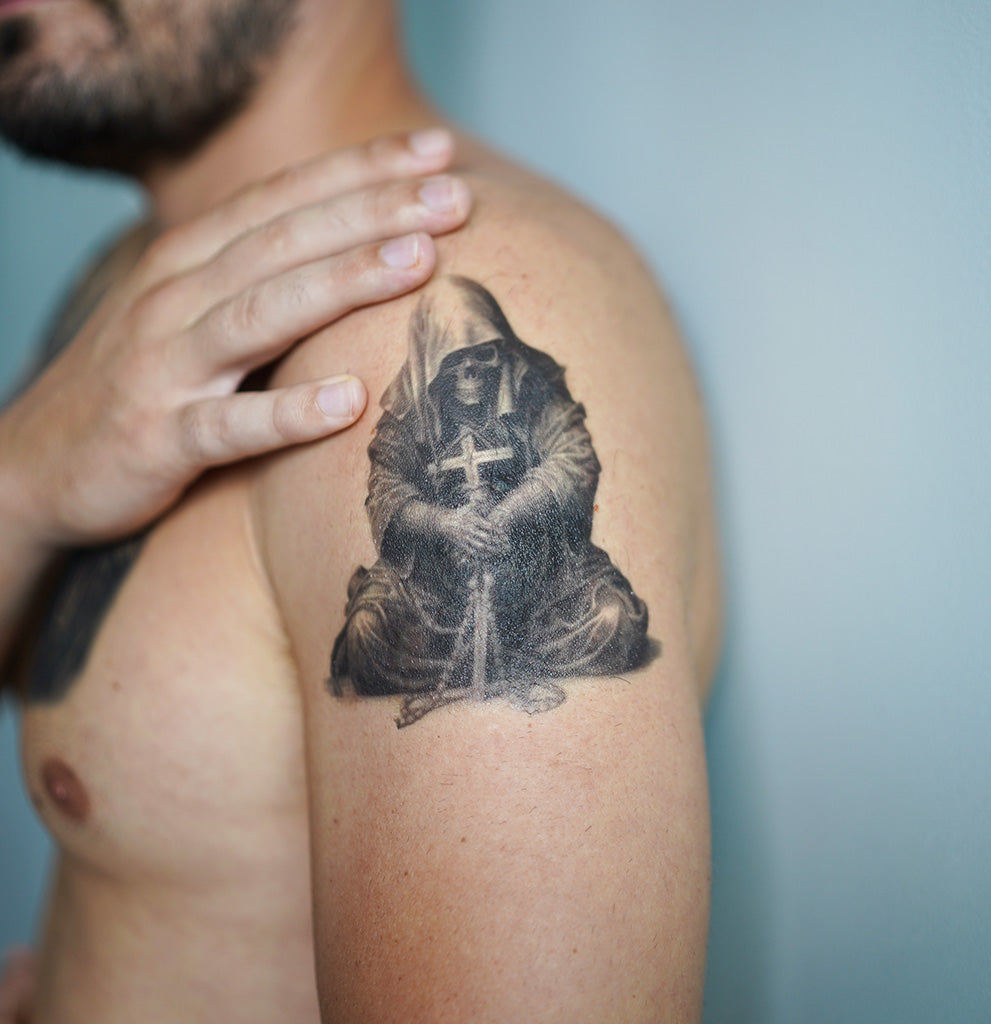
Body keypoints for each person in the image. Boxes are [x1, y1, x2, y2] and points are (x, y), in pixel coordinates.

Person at [0, 1, 721, 1021]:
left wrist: (505, 510)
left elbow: (558, 468)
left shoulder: (432, 294)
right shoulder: (138, 292)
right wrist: (20, 482)